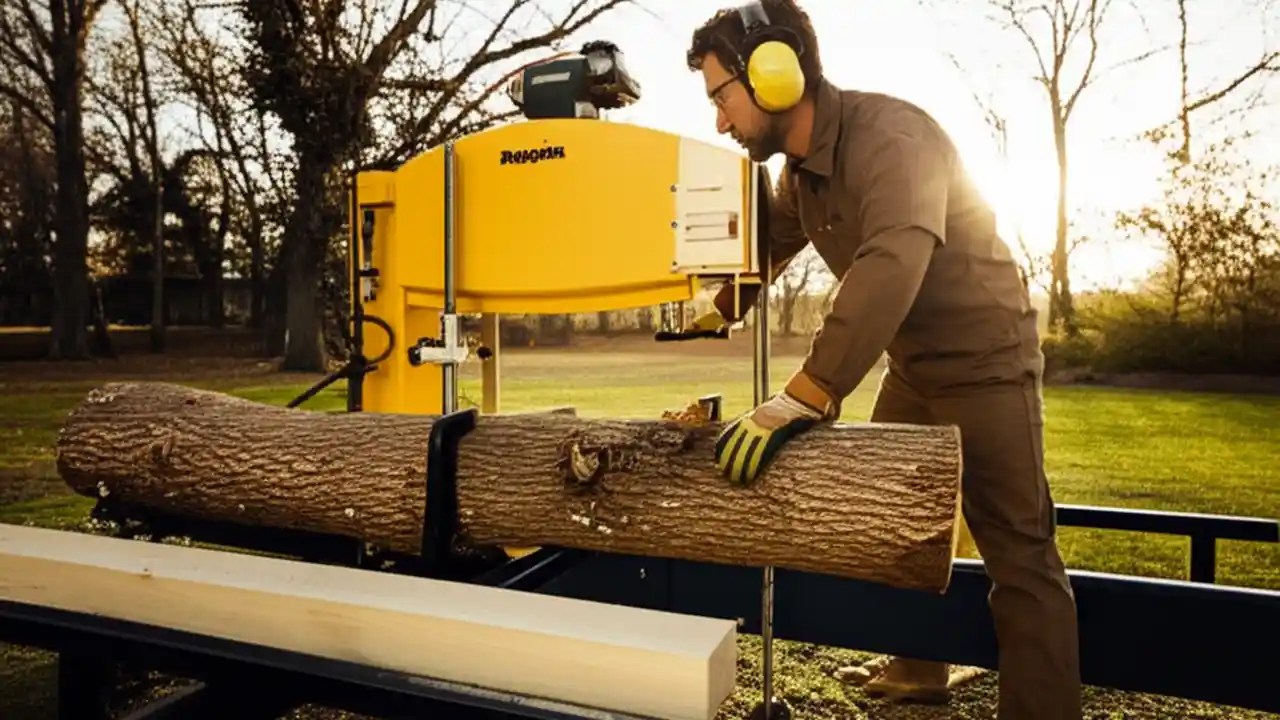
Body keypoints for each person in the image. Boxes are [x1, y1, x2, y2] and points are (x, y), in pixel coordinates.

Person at [684, 2, 1083, 718]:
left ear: (775, 76)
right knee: (900, 524)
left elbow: (892, 259)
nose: (719, 119)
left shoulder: (894, 138)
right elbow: (768, 244)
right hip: (912, 366)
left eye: (721, 96)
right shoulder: (800, 172)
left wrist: (808, 390)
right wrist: (716, 304)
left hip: (986, 362)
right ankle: (917, 671)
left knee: (1020, 557)